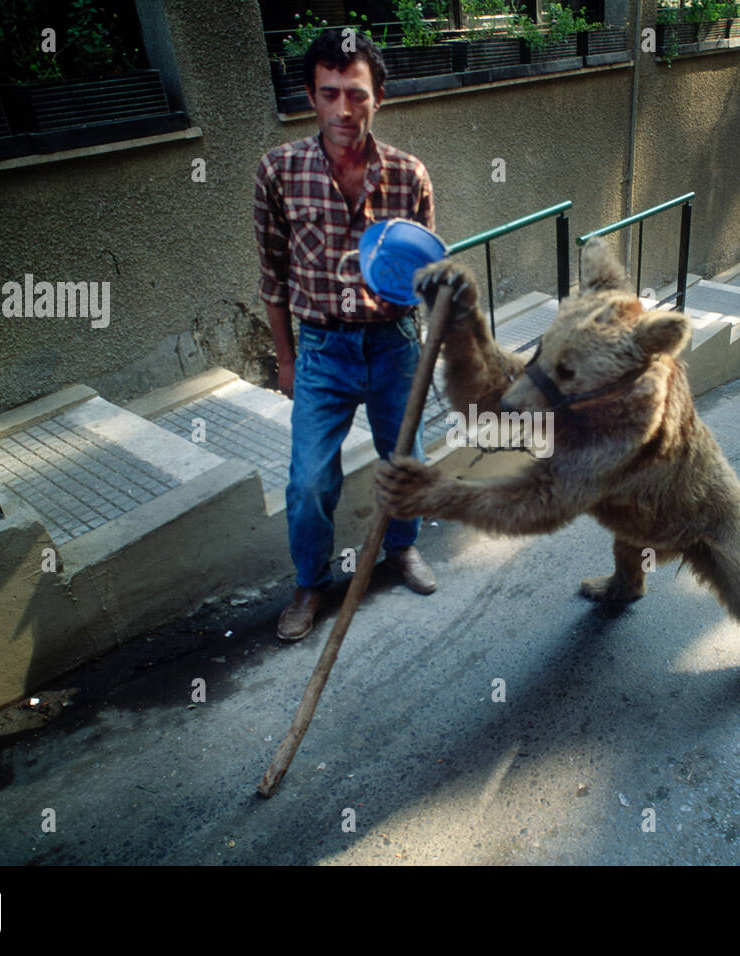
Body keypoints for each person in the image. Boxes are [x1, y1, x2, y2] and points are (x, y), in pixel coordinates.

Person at [254, 29, 437, 642]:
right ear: (311, 96)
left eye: (355, 94)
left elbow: (425, 272)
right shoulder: (279, 171)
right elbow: (272, 276)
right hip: (322, 350)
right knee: (309, 481)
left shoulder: (410, 176)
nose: (342, 109)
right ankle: (311, 583)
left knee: (406, 459)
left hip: (393, 346)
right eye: (329, 93)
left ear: (378, 97)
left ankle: (401, 549)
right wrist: (285, 358)